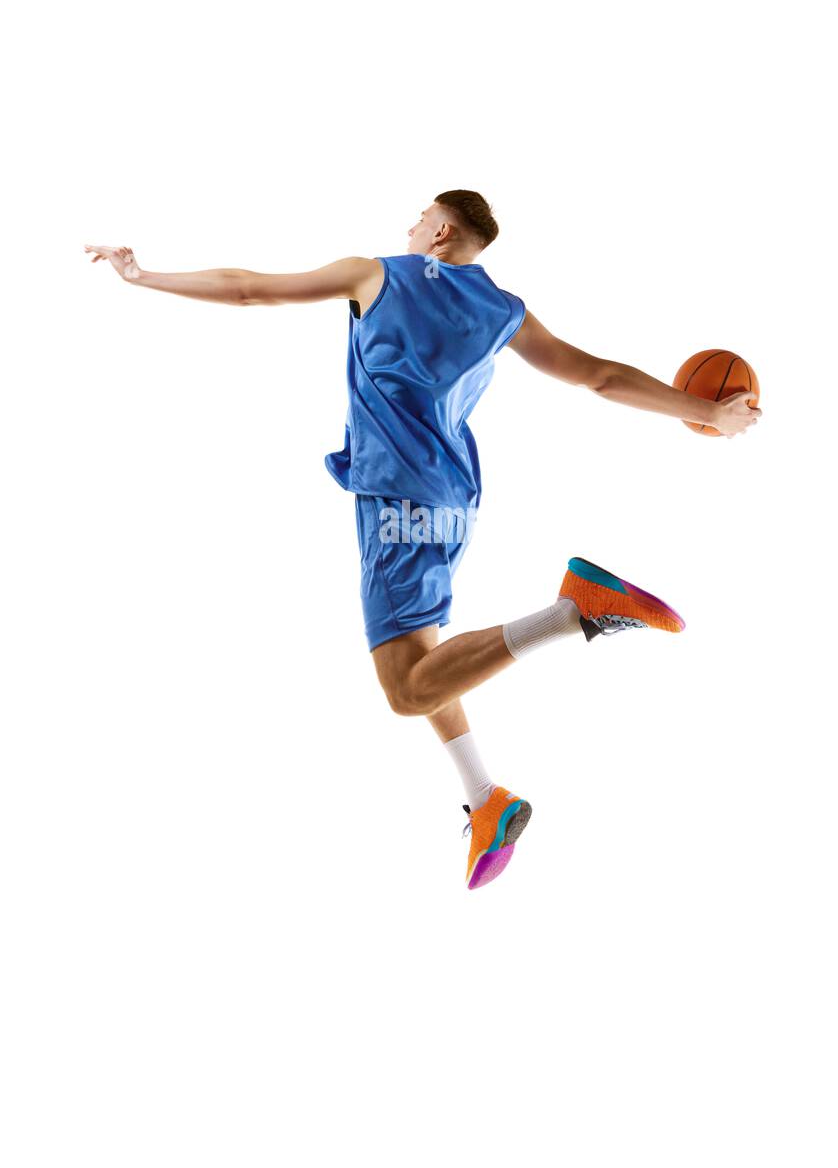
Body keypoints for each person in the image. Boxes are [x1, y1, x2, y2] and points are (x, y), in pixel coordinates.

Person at [85, 189, 760, 890]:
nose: (406, 227)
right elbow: (600, 376)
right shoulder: (504, 310)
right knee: (424, 662)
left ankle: (574, 612)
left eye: (416, 218)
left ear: (439, 231)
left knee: (406, 690)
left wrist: (143, 276)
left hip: (398, 499)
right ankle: (485, 798)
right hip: (449, 498)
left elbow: (252, 290)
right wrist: (705, 410)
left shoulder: (374, 274)